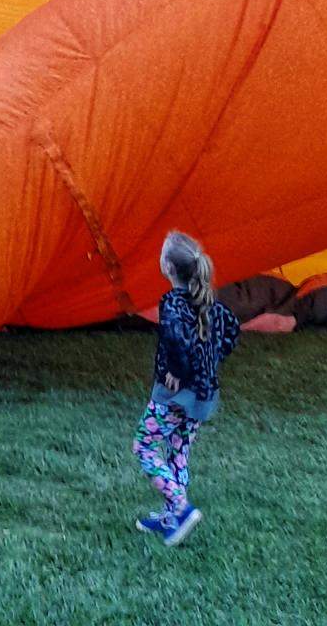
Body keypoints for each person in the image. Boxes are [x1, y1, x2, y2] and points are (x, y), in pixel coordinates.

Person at [133, 229, 240, 546]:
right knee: (178, 452)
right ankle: (172, 517)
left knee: (144, 448)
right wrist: (208, 363)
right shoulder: (211, 304)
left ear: (167, 266)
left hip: (173, 396)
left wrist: (178, 372)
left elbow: (176, 337)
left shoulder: (173, 304)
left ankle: (180, 508)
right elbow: (231, 332)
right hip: (202, 396)